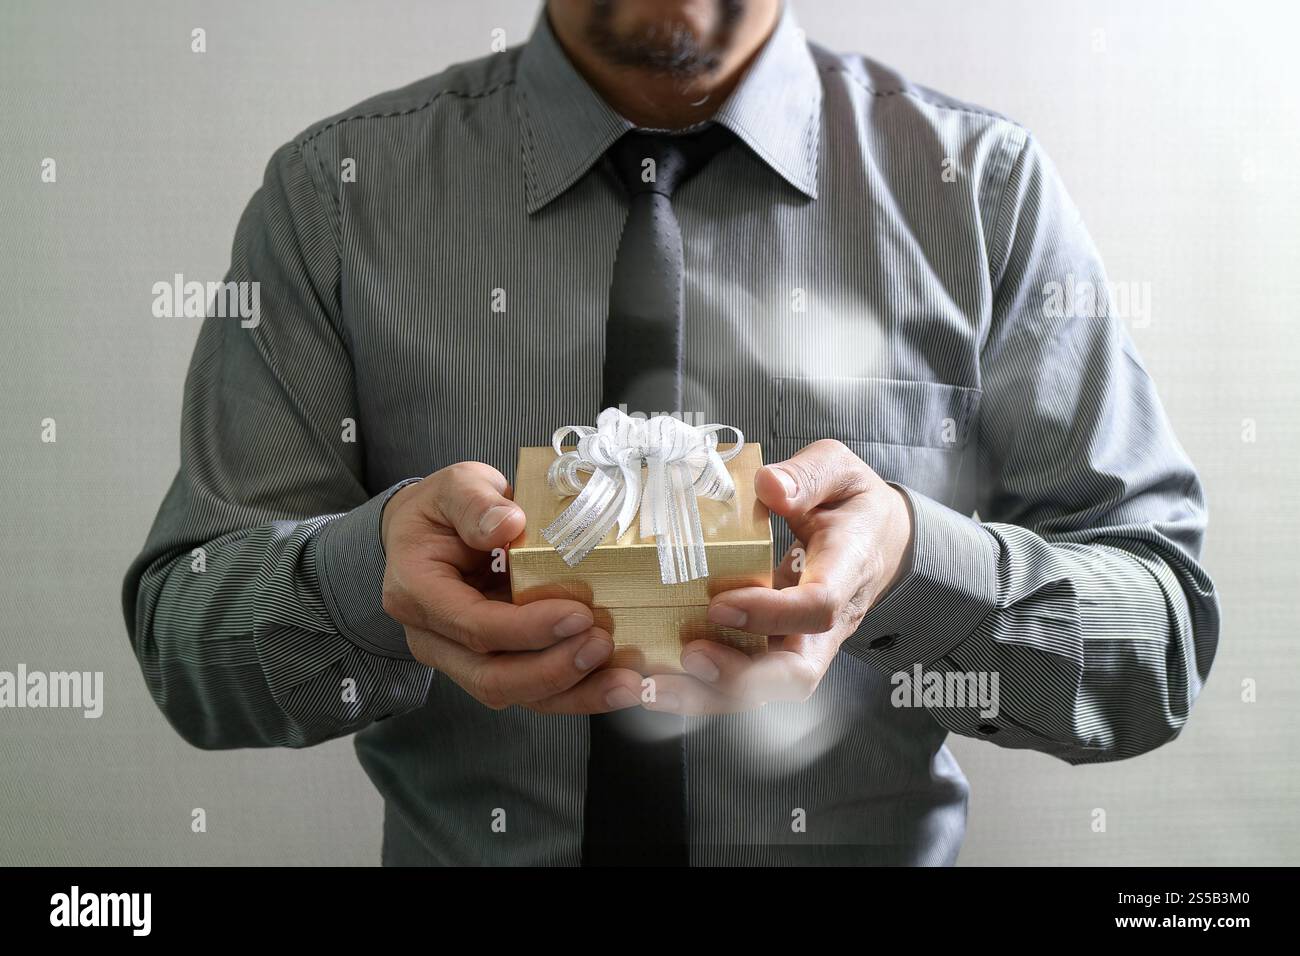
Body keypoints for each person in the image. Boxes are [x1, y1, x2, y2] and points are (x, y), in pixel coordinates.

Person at [123, 0, 1220, 866]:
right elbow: (186, 648)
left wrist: (913, 560)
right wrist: (369, 577)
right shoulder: (334, 200)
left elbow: (1159, 647)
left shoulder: (981, 193)